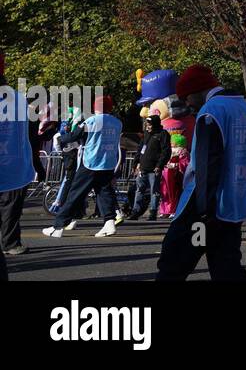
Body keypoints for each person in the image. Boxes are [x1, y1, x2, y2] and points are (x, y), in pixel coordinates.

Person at [156, 65, 246, 281]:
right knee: (226, 265)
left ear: (196, 91)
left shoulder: (211, 111)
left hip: (204, 204)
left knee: (173, 262)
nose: (187, 105)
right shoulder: (245, 108)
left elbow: (207, 164)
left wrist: (203, 210)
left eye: (186, 98)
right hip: (233, 203)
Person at [43, 94, 123, 239]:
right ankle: (109, 222)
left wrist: (59, 138)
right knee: (104, 193)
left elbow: (74, 136)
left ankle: (58, 226)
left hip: (91, 162)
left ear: (95, 106)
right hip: (108, 163)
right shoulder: (117, 122)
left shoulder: (91, 121)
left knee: (75, 193)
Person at [0, 55, 39, 281]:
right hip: (15, 168)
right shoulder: (19, 100)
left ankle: (10, 242)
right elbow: (31, 135)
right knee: (11, 211)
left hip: (14, 166)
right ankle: (11, 242)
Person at [129, 113, 170, 220]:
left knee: (154, 191)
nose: (148, 126)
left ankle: (152, 212)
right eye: (147, 123)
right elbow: (140, 148)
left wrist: (159, 165)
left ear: (155, 124)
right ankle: (135, 211)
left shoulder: (163, 134)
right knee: (139, 190)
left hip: (154, 168)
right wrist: (135, 163)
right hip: (143, 167)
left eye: (150, 124)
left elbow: (166, 151)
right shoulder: (146, 133)